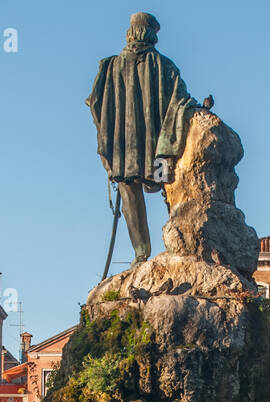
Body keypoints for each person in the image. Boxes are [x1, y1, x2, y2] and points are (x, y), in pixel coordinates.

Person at [86, 12, 197, 267]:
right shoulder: (165, 66)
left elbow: (94, 103)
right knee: (171, 189)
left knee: (129, 191)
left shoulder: (110, 67)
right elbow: (182, 101)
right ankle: (180, 244)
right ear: (150, 34)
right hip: (159, 149)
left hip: (124, 151)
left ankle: (141, 252)